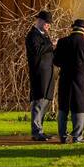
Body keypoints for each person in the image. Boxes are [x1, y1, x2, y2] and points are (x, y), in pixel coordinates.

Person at [53, 18, 84, 144]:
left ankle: (63, 136)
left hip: (65, 78)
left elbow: (56, 61)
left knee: (63, 108)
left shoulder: (62, 42)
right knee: (79, 108)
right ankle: (77, 137)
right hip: (80, 79)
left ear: (72, 29)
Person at [24, 9, 55, 142]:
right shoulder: (32, 35)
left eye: (49, 23)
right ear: (40, 21)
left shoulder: (44, 35)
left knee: (45, 102)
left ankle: (40, 130)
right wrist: (52, 44)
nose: (49, 25)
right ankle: (36, 131)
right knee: (38, 102)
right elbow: (37, 50)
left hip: (47, 74)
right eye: (47, 22)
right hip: (39, 74)